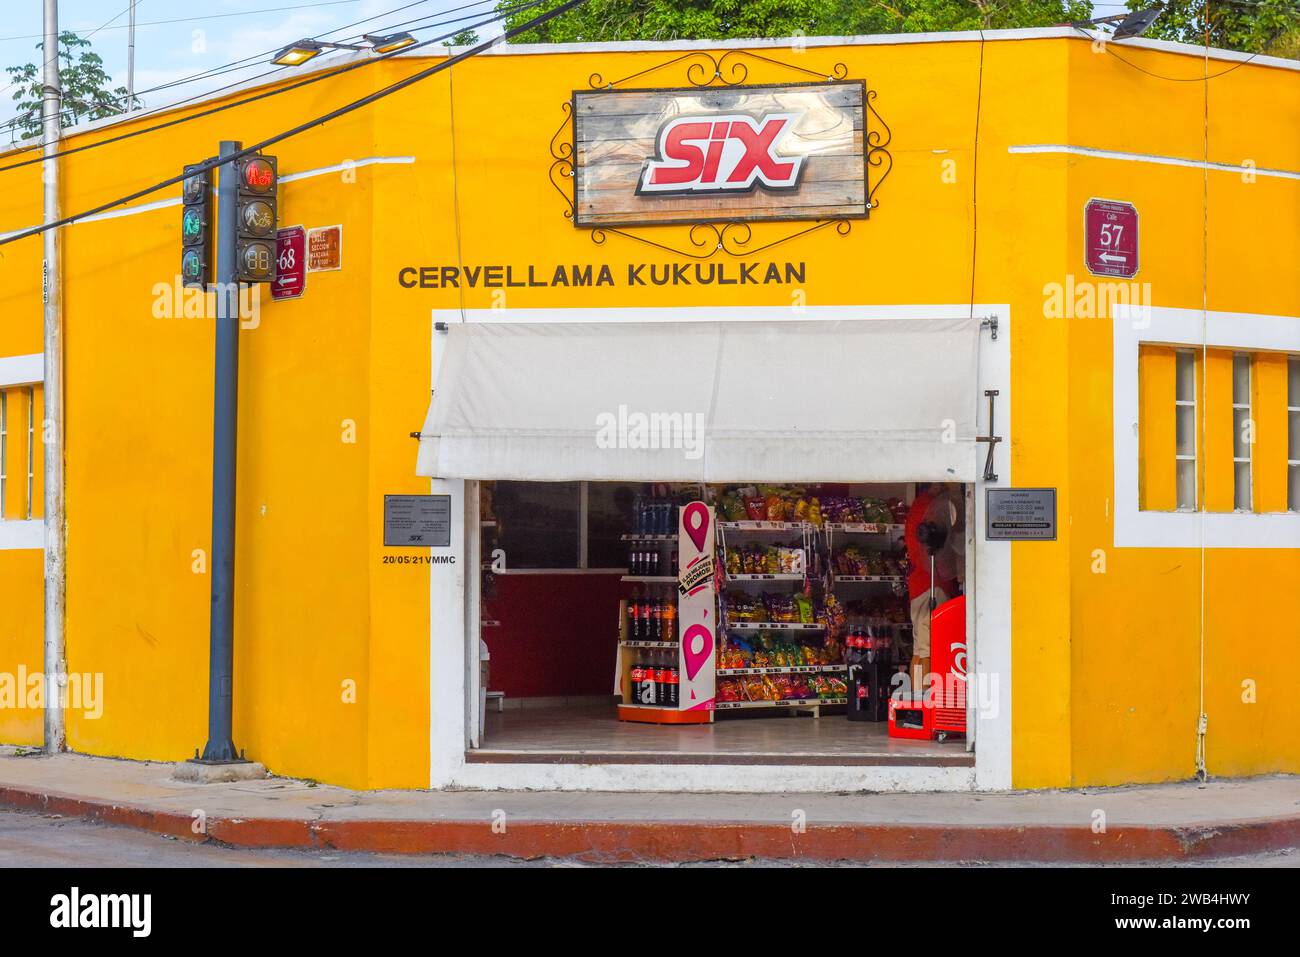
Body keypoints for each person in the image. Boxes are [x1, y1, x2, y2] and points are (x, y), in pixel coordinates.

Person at [904, 483, 965, 692]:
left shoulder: (919, 506)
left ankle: (918, 700)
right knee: (931, 647)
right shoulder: (936, 507)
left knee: (920, 647)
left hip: (921, 583)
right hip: (934, 585)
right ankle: (927, 701)